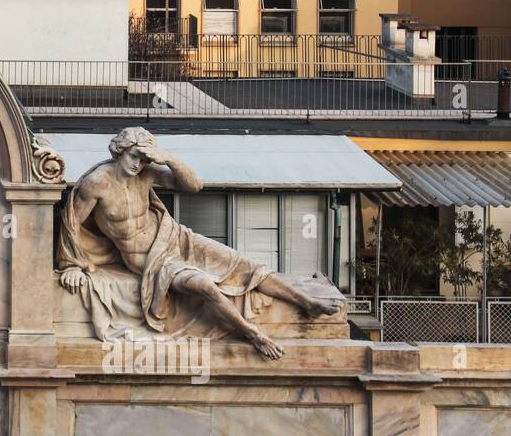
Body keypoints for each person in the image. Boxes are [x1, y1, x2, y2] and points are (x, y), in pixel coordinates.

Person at [58, 128, 341, 360]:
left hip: (174, 237)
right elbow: (72, 222)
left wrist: (167, 158)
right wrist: (71, 263)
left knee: (244, 264)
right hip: (155, 263)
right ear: (120, 151)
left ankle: (308, 301)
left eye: (144, 160)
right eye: (134, 157)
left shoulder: (146, 173)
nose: (138, 164)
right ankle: (253, 334)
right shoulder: (96, 184)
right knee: (204, 285)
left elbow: (193, 186)